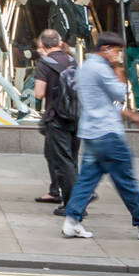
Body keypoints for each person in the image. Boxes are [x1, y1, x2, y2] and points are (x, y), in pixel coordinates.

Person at [61, 32, 139, 241]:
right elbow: (119, 92)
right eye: (117, 51)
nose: (119, 55)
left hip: (91, 132)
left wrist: (130, 115)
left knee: (87, 180)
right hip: (108, 134)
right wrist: (117, 67)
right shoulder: (101, 68)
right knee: (127, 182)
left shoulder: (86, 66)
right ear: (106, 49)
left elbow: (100, 102)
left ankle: (71, 222)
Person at [33, 29, 80, 215]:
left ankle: (73, 205)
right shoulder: (71, 60)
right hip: (76, 116)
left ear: (43, 46)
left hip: (57, 117)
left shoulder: (45, 64)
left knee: (63, 162)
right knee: (73, 160)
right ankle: (74, 199)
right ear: (60, 44)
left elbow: (39, 93)